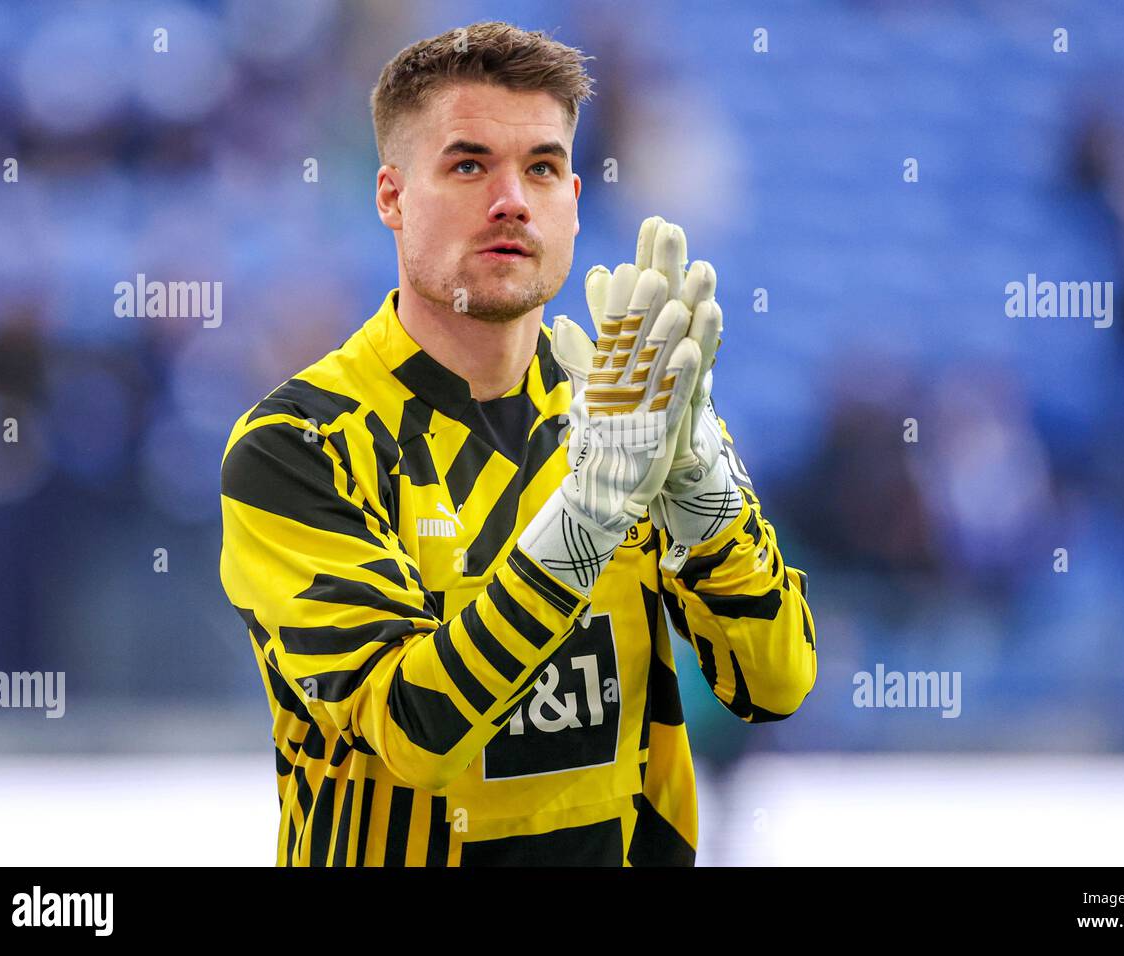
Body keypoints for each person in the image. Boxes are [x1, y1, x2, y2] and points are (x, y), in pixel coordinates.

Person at [218, 20, 816, 867]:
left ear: (574, 197)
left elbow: (776, 683)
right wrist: (583, 526)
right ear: (390, 195)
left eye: (541, 167)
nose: (512, 199)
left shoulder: (630, 410)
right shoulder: (297, 445)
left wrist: (705, 502)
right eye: (468, 164)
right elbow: (417, 731)